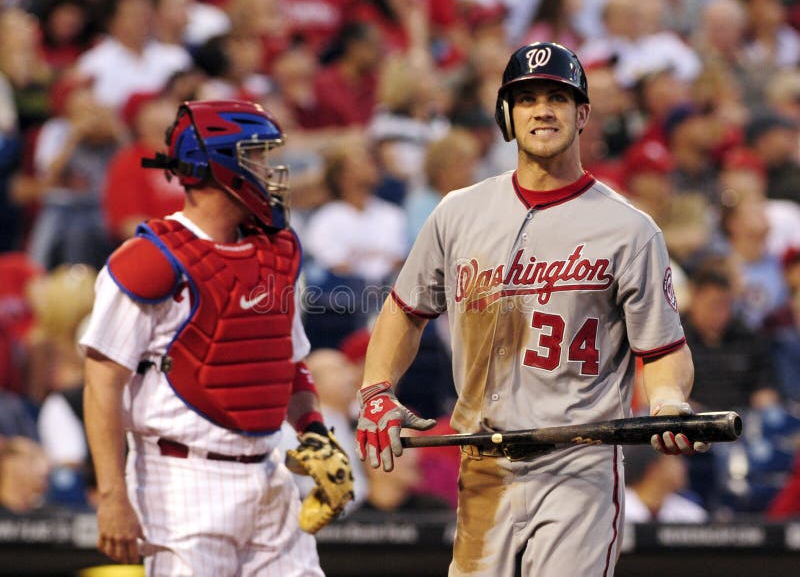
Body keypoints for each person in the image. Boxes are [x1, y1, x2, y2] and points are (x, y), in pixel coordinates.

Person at [355, 42, 708, 577]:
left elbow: (663, 348)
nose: (542, 109)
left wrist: (665, 402)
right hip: (482, 462)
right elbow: (404, 311)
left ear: (582, 114)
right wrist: (377, 391)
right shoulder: (458, 212)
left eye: (557, 98)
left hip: (578, 461)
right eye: (526, 99)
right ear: (507, 114)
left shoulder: (629, 229)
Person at [81, 99, 353, 575]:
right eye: (257, 155)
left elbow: (287, 361)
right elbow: (101, 382)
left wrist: (314, 431)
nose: (269, 169)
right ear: (221, 164)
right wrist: (112, 497)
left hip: (268, 472)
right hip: (181, 479)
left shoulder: (277, 250)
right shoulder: (149, 259)